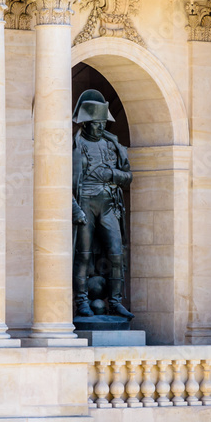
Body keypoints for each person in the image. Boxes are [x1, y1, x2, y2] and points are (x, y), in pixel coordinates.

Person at [72, 90, 134, 319]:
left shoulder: (113, 145)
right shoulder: (75, 146)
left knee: (117, 254)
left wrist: (110, 173)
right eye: (96, 123)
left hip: (109, 205)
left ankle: (116, 302)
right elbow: (61, 183)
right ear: (86, 123)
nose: (100, 127)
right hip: (85, 203)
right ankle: (81, 303)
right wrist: (75, 209)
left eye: (102, 123)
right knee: (83, 256)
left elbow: (128, 176)